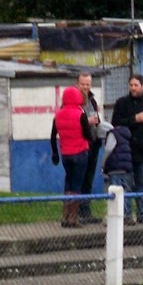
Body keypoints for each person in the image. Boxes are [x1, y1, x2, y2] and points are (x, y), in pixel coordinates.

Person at [111, 74, 143, 223]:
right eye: (131, 85)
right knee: (125, 184)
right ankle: (126, 215)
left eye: (136, 85)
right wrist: (135, 119)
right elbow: (116, 124)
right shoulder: (122, 103)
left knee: (142, 183)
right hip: (126, 150)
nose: (133, 88)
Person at [50, 87, 91, 228]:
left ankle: (65, 216)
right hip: (80, 152)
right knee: (77, 185)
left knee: (68, 183)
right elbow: (87, 134)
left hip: (65, 154)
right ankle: (73, 218)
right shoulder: (81, 113)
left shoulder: (58, 114)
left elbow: (52, 135)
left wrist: (55, 153)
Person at [75, 72, 103, 221]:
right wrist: (87, 121)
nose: (85, 87)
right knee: (79, 179)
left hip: (93, 143)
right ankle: (76, 213)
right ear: (77, 84)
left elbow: (96, 120)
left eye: (88, 84)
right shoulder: (72, 101)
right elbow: (71, 122)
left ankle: (86, 212)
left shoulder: (92, 100)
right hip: (80, 145)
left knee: (88, 180)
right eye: (83, 84)